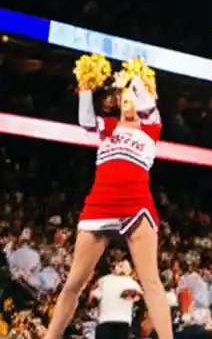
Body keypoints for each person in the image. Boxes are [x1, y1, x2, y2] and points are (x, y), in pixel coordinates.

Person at [43, 56, 173, 339]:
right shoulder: (109, 128)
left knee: (151, 281)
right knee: (74, 283)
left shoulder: (151, 126)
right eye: (122, 100)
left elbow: (145, 95)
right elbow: (85, 119)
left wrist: (129, 78)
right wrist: (88, 84)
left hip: (136, 205)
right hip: (100, 204)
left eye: (131, 99)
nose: (128, 104)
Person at [90, 261, 142, 339]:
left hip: (105, 321)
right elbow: (139, 296)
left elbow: (92, 296)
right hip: (123, 322)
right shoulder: (133, 283)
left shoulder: (104, 280)